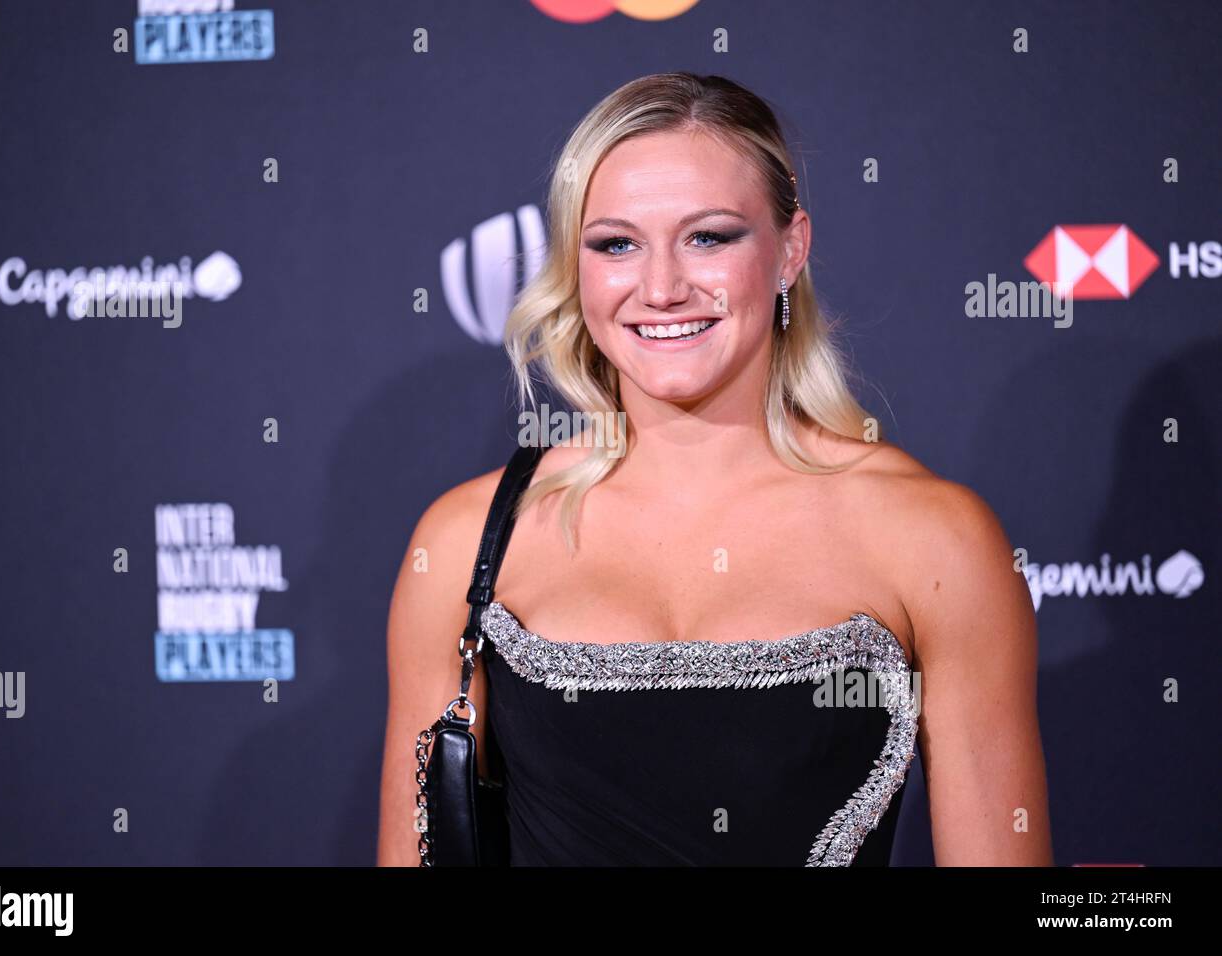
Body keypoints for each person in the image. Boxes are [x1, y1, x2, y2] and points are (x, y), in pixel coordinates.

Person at [377, 72, 1052, 866]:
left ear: (790, 249)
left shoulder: (932, 538)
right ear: (577, 268)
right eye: (616, 244)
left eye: (710, 236)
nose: (661, 288)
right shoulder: (465, 543)